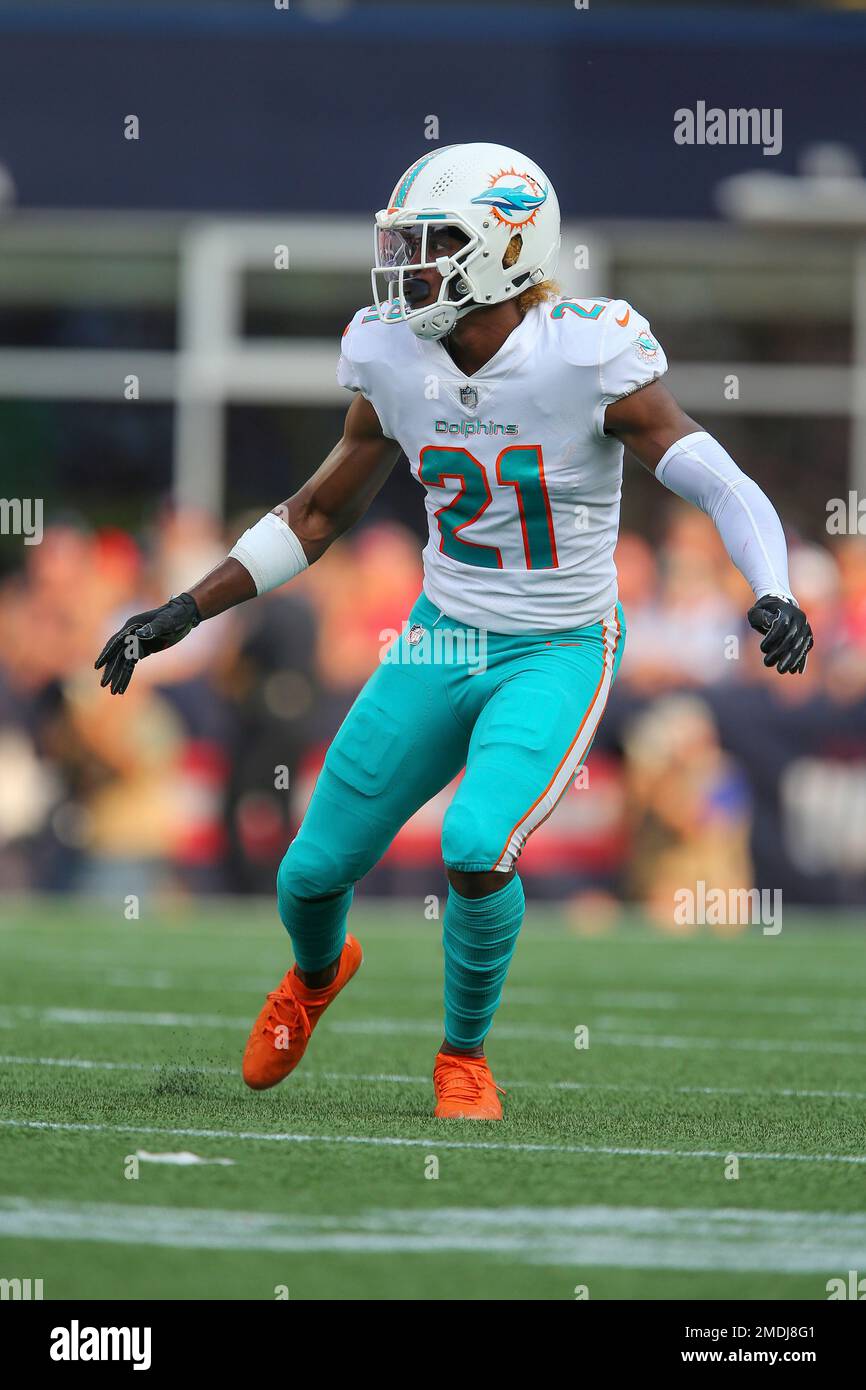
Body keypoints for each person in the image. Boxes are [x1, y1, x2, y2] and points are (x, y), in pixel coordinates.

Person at [95, 143, 813, 1119]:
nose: (405, 268)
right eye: (402, 244)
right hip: (441, 635)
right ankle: (314, 977)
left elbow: (714, 477)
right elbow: (315, 514)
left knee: (477, 842)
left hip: (554, 646)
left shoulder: (584, 350)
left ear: (505, 249)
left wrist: (770, 587)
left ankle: (461, 1056)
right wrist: (183, 609)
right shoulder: (390, 352)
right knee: (307, 872)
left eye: (432, 244)